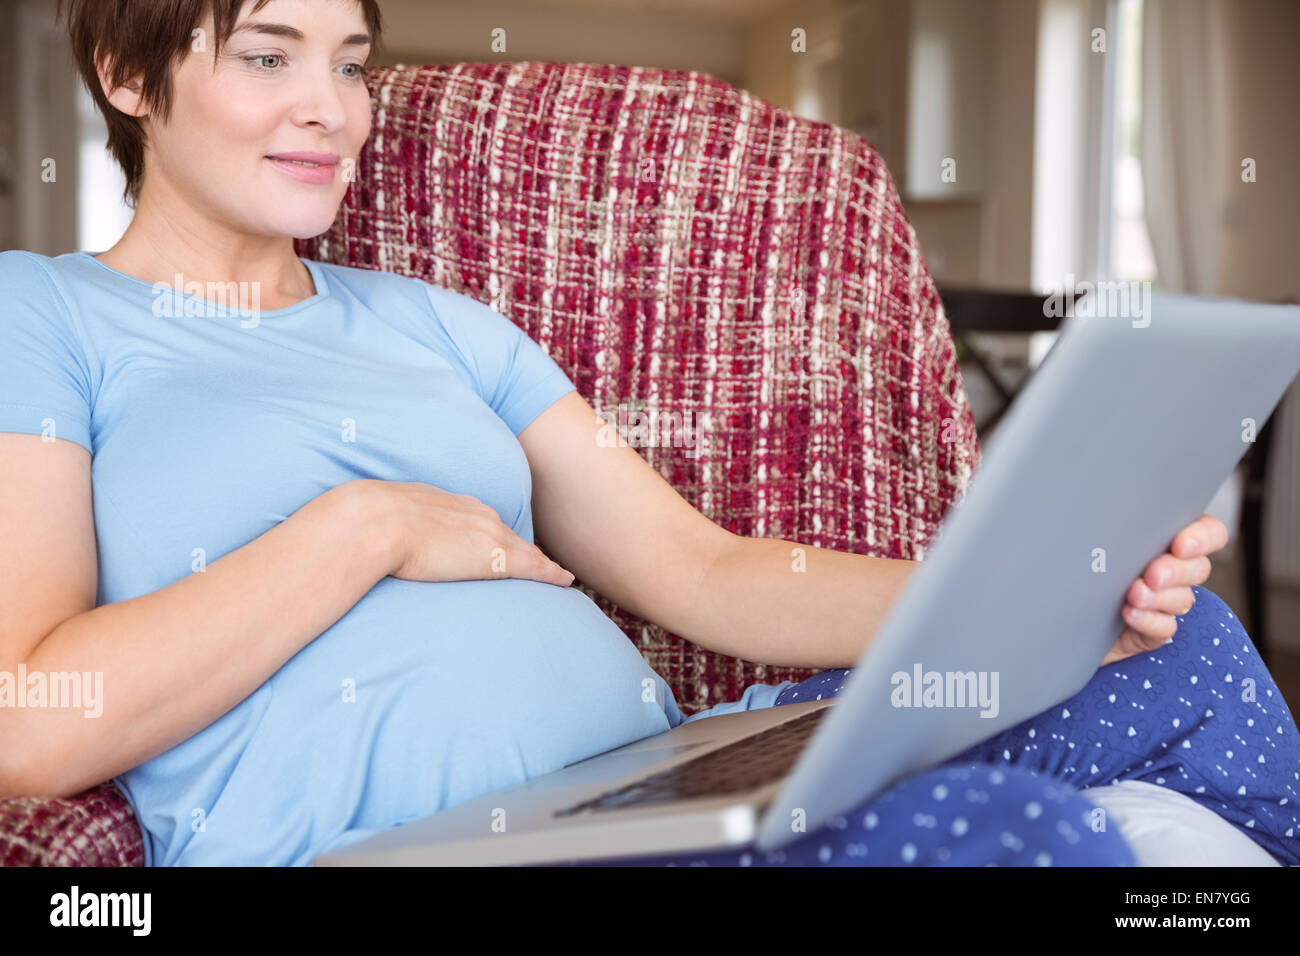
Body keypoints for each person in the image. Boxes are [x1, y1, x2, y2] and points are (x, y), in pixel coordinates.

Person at [1, 0, 1293, 867]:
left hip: (661, 779)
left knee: (1179, 659)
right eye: (269, 56)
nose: (332, 109)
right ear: (128, 73)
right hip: (434, 845)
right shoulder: (45, 311)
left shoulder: (431, 323)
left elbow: (700, 572)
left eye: (350, 63)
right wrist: (365, 528)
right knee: (1006, 833)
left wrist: (1035, 596)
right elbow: (28, 716)